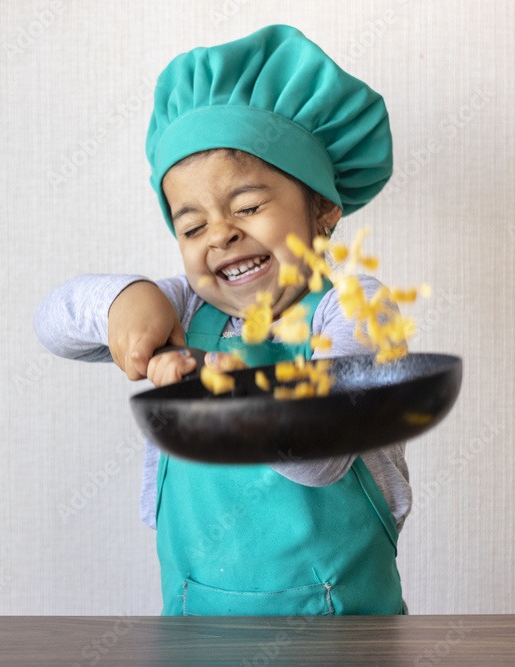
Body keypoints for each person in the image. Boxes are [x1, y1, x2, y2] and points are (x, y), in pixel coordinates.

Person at [34, 25, 410, 616]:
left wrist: (228, 390)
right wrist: (125, 300)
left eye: (248, 207)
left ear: (323, 210)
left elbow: (323, 454)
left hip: (340, 629)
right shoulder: (184, 306)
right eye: (191, 227)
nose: (221, 234)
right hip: (195, 624)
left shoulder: (355, 307)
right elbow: (52, 324)